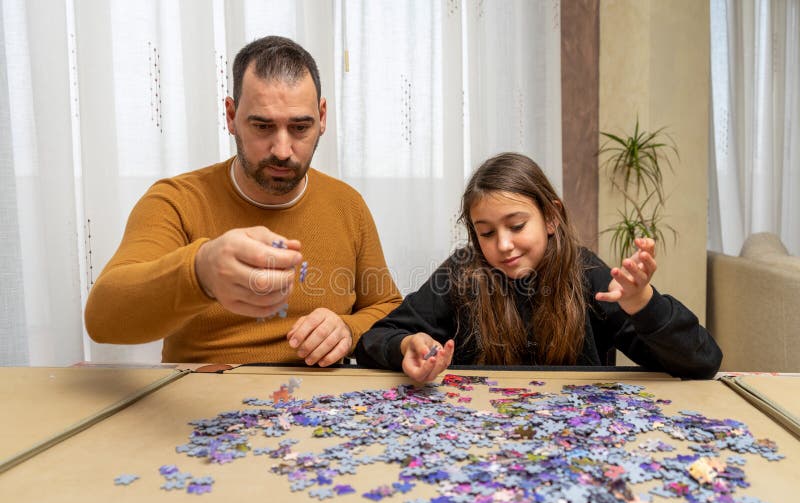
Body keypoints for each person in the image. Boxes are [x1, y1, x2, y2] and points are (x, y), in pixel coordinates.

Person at [85, 36, 402, 366]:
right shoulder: (176, 202)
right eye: (263, 126)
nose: (282, 150)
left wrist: (348, 328)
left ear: (322, 117)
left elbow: (389, 307)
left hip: (324, 406)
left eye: (300, 127)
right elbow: (102, 319)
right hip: (203, 404)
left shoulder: (347, 204)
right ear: (231, 116)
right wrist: (201, 271)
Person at [355, 152, 722, 381]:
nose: (502, 245)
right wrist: (407, 345)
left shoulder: (587, 275)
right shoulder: (461, 272)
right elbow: (373, 339)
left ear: (551, 217)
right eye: (485, 232)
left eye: (516, 226)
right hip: (484, 438)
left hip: (574, 442)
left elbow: (702, 361)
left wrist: (643, 302)